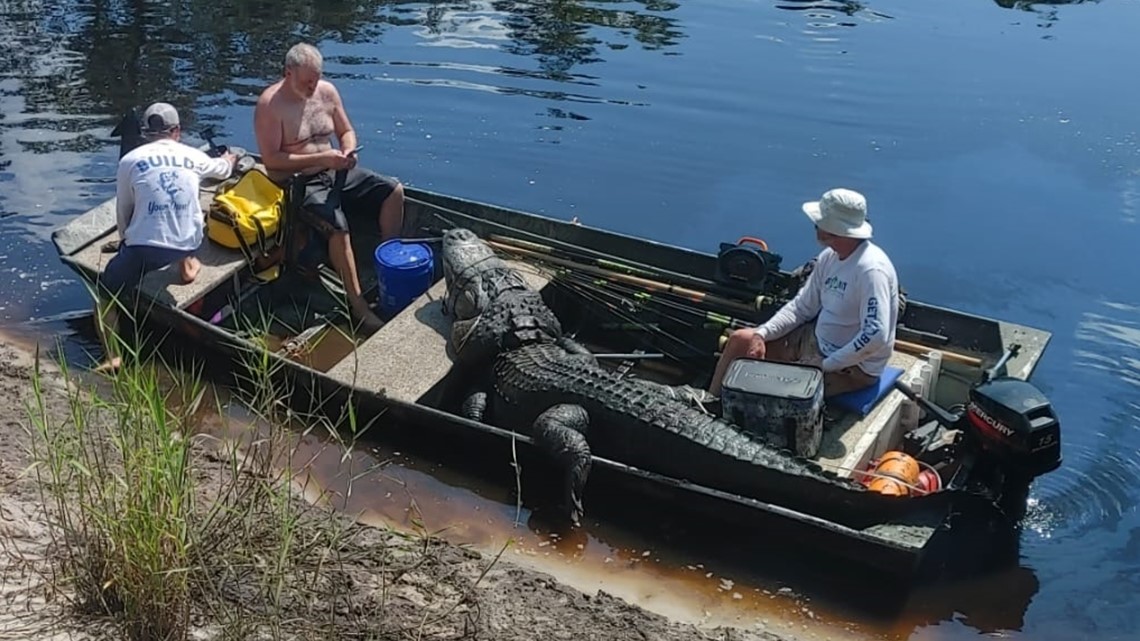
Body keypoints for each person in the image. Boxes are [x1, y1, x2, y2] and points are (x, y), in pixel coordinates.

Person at [253, 42, 406, 331]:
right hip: (298, 183)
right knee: (338, 226)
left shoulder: (327, 91)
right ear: (288, 73)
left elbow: (345, 131)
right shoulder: (270, 105)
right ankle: (359, 306)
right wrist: (322, 157)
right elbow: (271, 160)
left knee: (392, 190)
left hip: (334, 169)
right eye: (306, 82)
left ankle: (388, 264)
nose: (313, 87)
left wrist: (348, 150)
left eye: (316, 79)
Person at [708, 188, 899, 398]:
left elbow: (875, 335)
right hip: (814, 341)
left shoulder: (871, 270)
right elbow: (801, 307)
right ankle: (710, 403)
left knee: (778, 391)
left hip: (852, 367)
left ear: (828, 228)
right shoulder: (828, 257)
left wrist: (825, 364)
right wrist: (763, 333)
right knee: (741, 340)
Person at [95, 102, 237, 372]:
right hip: (187, 241)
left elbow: (123, 210)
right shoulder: (192, 155)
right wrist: (228, 160)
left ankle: (113, 355)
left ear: (145, 133)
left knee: (103, 298)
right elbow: (222, 170)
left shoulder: (130, 160)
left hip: (144, 249)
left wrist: (126, 242)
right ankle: (187, 270)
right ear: (177, 131)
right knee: (188, 222)